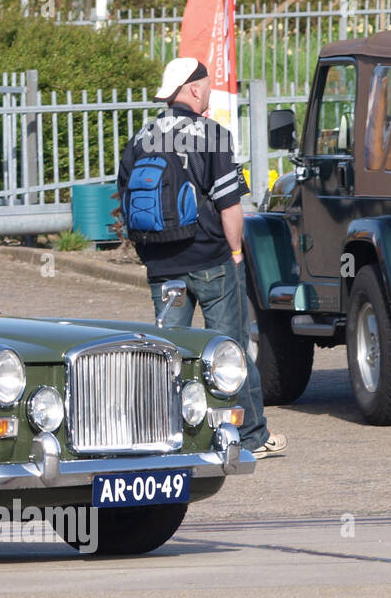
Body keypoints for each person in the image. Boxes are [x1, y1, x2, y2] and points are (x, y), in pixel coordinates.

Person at [116, 56, 287, 459]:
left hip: (163, 269)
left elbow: (122, 205)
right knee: (231, 348)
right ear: (193, 89)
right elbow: (231, 208)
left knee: (167, 354)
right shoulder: (213, 136)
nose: (209, 90)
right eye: (207, 85)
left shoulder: (141, 139)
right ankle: (251, 438)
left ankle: (162, 438)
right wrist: (235, 254)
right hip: (211, 262)